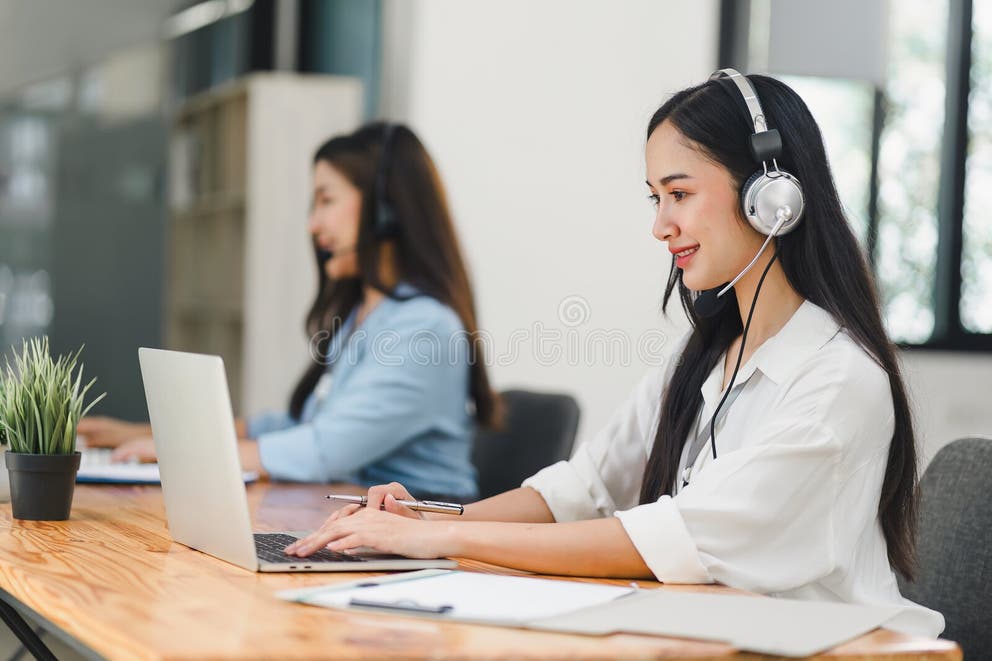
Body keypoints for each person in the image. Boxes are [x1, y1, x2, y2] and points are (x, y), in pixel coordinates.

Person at [284, 72, 944, 636]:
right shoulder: (705, 355)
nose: (660, 224)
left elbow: (673, 537)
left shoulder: (837, 379)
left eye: (679, 194)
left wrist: (442, 539)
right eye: (655, 198)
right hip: (714, 635)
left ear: (771, 197)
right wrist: (416, 519)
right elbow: (585, 488)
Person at [79, 122, 499, 502]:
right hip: (354, 510)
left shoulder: (425, 329)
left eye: (326, 200)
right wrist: (156, 435)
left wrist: (183, 451)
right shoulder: (364, 315)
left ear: (386, 209)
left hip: (418, 528)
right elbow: (299, 424)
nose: (313, 225)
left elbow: (323, 449)